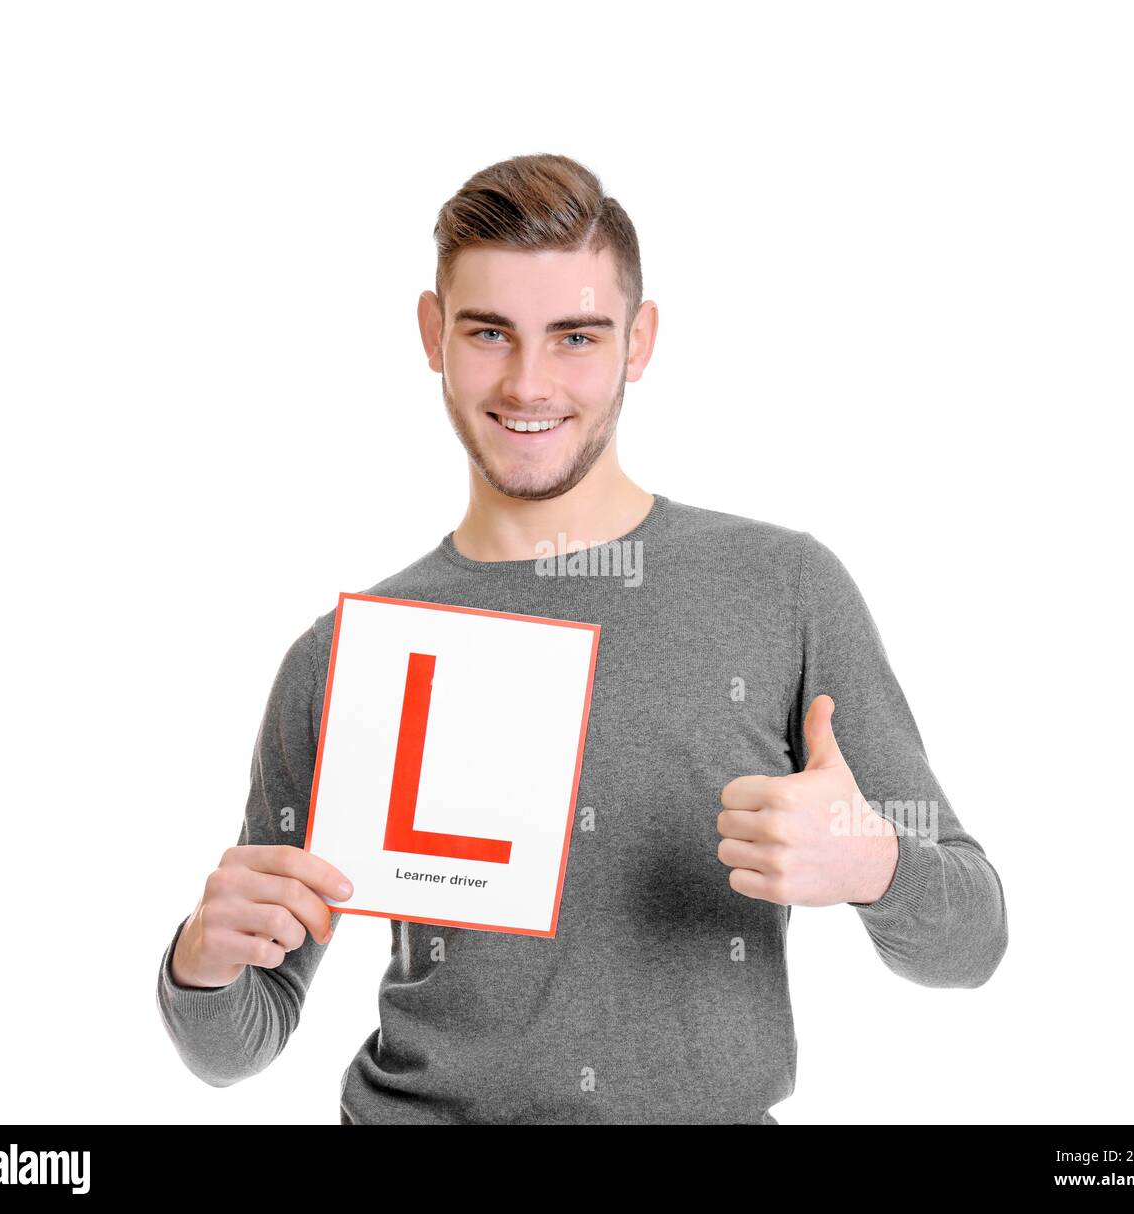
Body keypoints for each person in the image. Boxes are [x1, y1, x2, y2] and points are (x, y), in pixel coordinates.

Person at [156, 153, 1008, 1125]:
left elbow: (972, 938)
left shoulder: (783, 589)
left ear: (638, 341)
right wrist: (202, 960)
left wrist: (876, 863)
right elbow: (240, 1033)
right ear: (433, 333)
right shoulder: (347, 655)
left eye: (575, 336)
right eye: (488, 332)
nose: (528, 383)